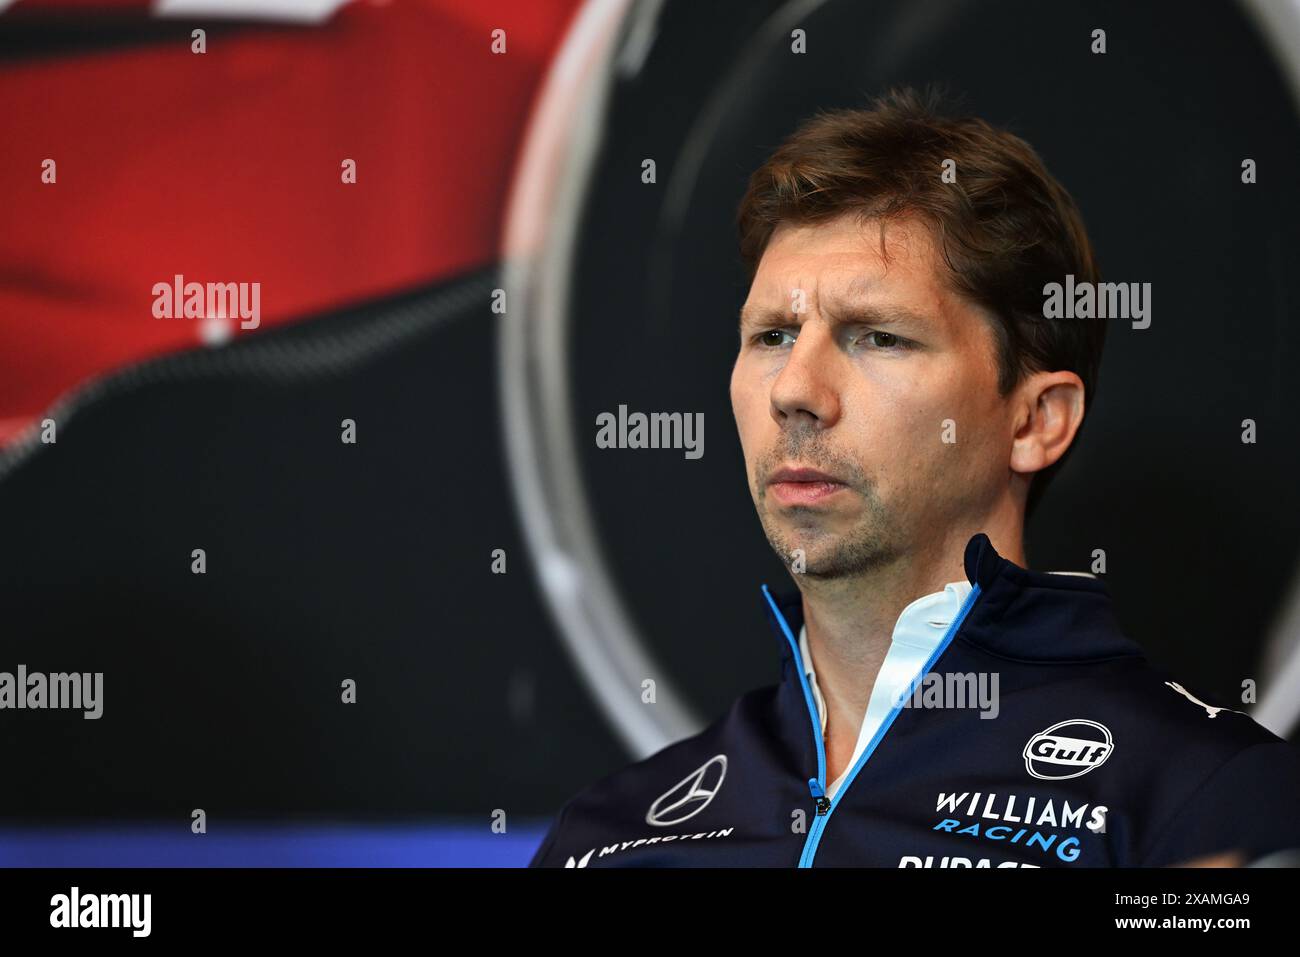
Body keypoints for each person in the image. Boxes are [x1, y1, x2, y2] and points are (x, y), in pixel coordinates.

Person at [529, 87, 1300, 867]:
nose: (794, 389)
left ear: (1035, 421)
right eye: (772, 334)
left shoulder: (1211, 804)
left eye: (879, 338)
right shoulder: (604, 836)